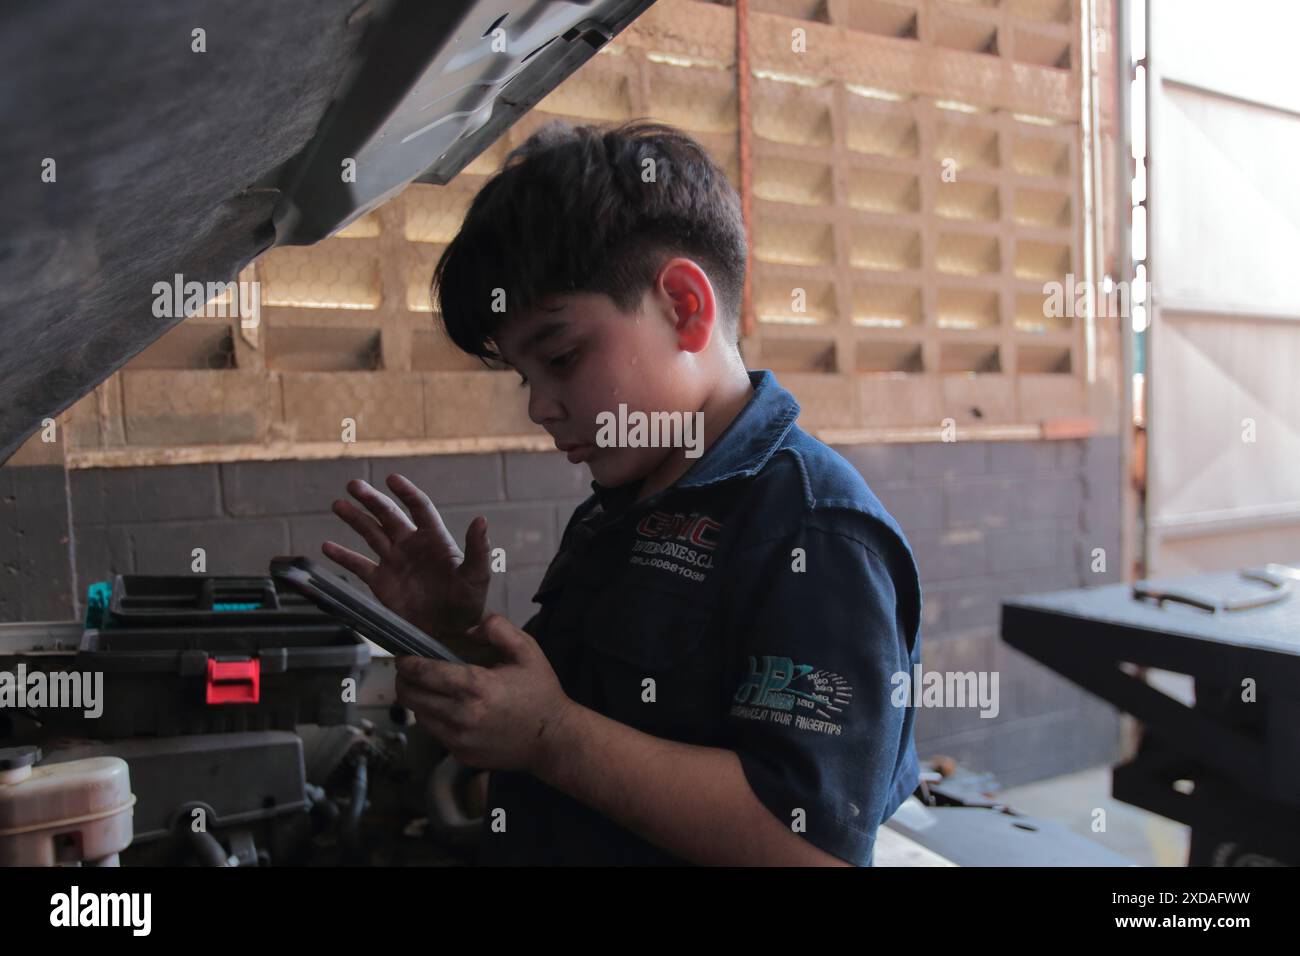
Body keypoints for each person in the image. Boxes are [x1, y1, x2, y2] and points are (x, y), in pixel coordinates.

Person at [323, 119, 923, 866]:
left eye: (563, 357)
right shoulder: (624, 505)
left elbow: (810, 850)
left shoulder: (814, 532)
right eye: (524, 378)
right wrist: (459, 634)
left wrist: (550, 742)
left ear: (685, 307)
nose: (540, 407)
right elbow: (568, 705)